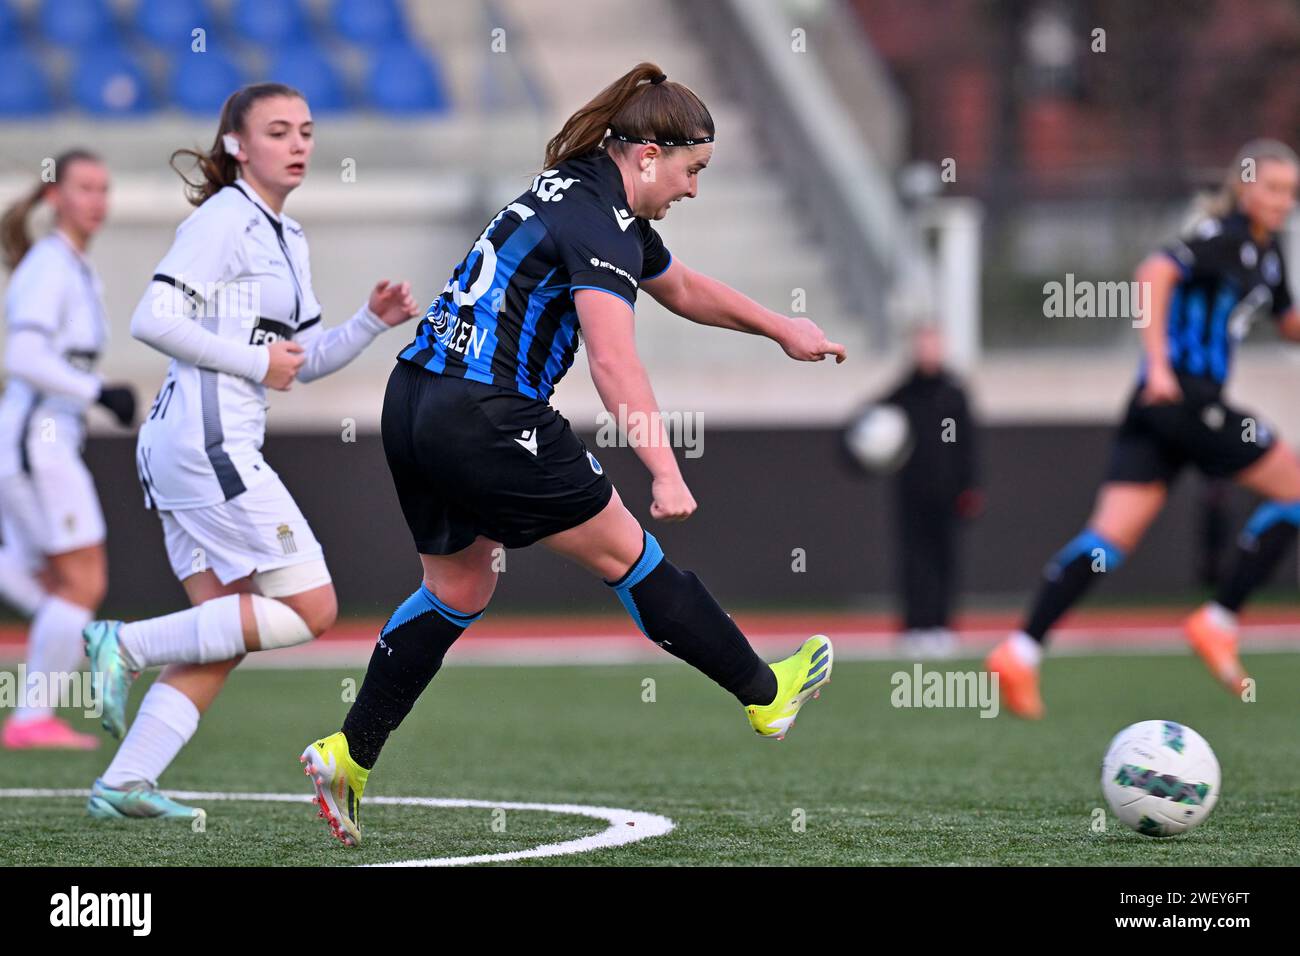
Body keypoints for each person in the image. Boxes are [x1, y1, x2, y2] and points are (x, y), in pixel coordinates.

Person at [300, 62, 847, 847]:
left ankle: (348, 755)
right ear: (649, 156)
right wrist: (663, 466)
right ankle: (766, 692)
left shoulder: (574, 189)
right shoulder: (602, 219)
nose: (693, 190)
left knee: (457, 586)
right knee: (630, 554)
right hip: (488, 412)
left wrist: (781, 327)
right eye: (692, 172)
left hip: (414, 399)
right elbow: (614, 361)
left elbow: (682, 287)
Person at [81, 83, 419, 819]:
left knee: (223, 635)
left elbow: (298, 360)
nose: (297, 143)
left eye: (305, 129)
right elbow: (151, 317)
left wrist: (369, 322)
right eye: (276, 131)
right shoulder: (227, 217)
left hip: (187, 445)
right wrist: (253, 362)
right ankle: (124, 643)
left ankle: (124, 781)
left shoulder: (282, 233)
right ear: (235, 145)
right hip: (209, 445)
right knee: (311, 607)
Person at [987, 138, 1300, 719]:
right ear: (1244, 186)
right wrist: (1156, 362)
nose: (1283, 201)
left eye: (1290, 191)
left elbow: (1288, 324)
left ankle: (1020, 649)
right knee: (1297, 492)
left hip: (1156, 412)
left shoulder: (1268, 250)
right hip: (1183, 401)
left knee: (1107, 542)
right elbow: (1153, 272)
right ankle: (1219, 618)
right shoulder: (1223, 237)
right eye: (1273, 188)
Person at [0, 150, 136, 750]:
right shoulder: (49, 266)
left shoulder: (75, 268)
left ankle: (33, 715)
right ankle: (32, 717)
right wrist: (97, 391)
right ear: (55, 196)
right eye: (84, 187)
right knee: (81, 583)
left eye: (104, 188)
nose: (97, 200)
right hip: (38, 442)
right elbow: (21, 357)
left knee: (56, 581)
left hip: (45, 439)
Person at [873, 324, 981, 657]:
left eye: (934, 344)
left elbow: (969, 444)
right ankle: (914, 626)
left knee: (944, 559)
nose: (928, 351)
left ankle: (941, 626)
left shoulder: (954, 391)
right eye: (923, 345)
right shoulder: (903, 393)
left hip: (947, 493)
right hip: (911, 491)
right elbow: (872, 425)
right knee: (914, 560)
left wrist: (970, 487)